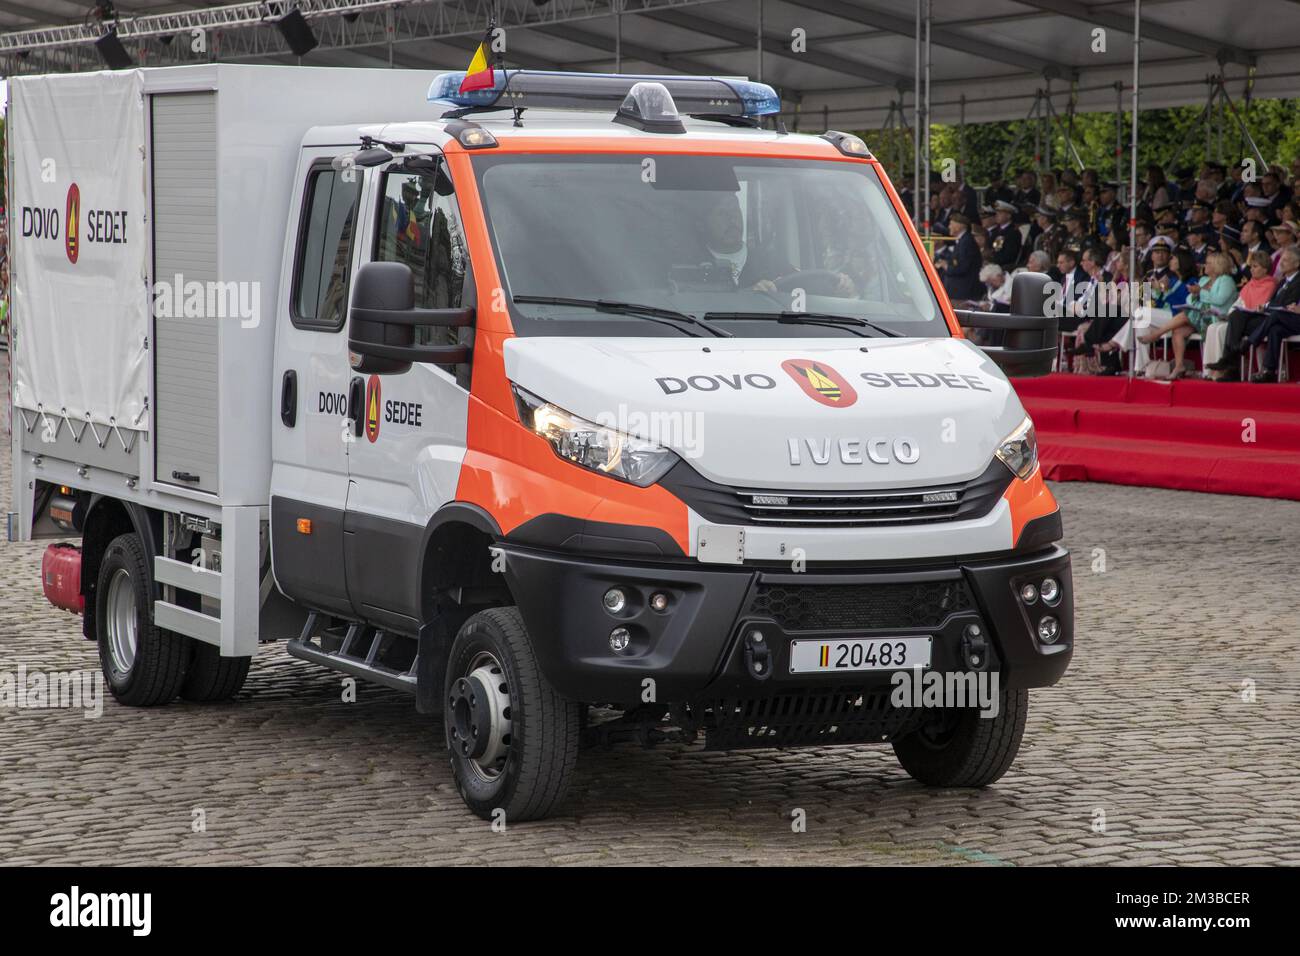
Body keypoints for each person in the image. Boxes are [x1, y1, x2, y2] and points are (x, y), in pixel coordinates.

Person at [1137, 251, 1236, 379]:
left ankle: (1156, 334)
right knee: (1178, 331)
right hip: (1200, 317)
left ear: (1217, 265)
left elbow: (1220, 299)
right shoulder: (1204, 280)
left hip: (1216, 317)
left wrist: (1200, 293)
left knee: (1185, 314)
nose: (1204, 265)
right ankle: (1179, 366)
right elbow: (1189, 300)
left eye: (1208, 263)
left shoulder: (1226, 280)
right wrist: (1195, 295)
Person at [1203, 250, 1275, 373]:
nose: (1251, 269)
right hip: (1244, 318)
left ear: (1265, 269)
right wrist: (1228, 315)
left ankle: (1229, 363)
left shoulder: (1270, 284)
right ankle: (1228, 366)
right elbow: (1238, 303)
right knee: (1231, 318)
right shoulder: (1250, 284)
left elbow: (1260, 307)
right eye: (1251, 266)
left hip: (1261, 319)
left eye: (1255, 266)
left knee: (1234, 319)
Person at [1245, 244, 1300, 382]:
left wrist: (1270, 306)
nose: (1281, 262)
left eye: (1286, 260)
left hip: (1295, 319)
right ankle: (1269, 371)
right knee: (1275, 330)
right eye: (1281, 258)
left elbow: (1286, 303)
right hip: (1287, 319)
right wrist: (1267, 306)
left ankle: (1252, 340)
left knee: (1276, 316)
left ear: (1297, 263)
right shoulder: (1282, 281)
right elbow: (1276, 303)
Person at [938, 212, 983, 302]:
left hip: (964, 292)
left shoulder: (966, 242)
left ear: (959, 226)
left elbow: (963, 267)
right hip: (959, 291)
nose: (949, 227)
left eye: (951, 224)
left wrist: (946, 266)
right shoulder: (963, 241)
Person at [988, 200, 1022, 270]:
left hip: (1003, 267)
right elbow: (991, 247)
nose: (996, 215)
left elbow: (1009, 256)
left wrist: (992, 259)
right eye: (996, 213)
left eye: (1000, 213)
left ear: (1008, 216)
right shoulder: (996, 231)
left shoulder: (1013, 233)